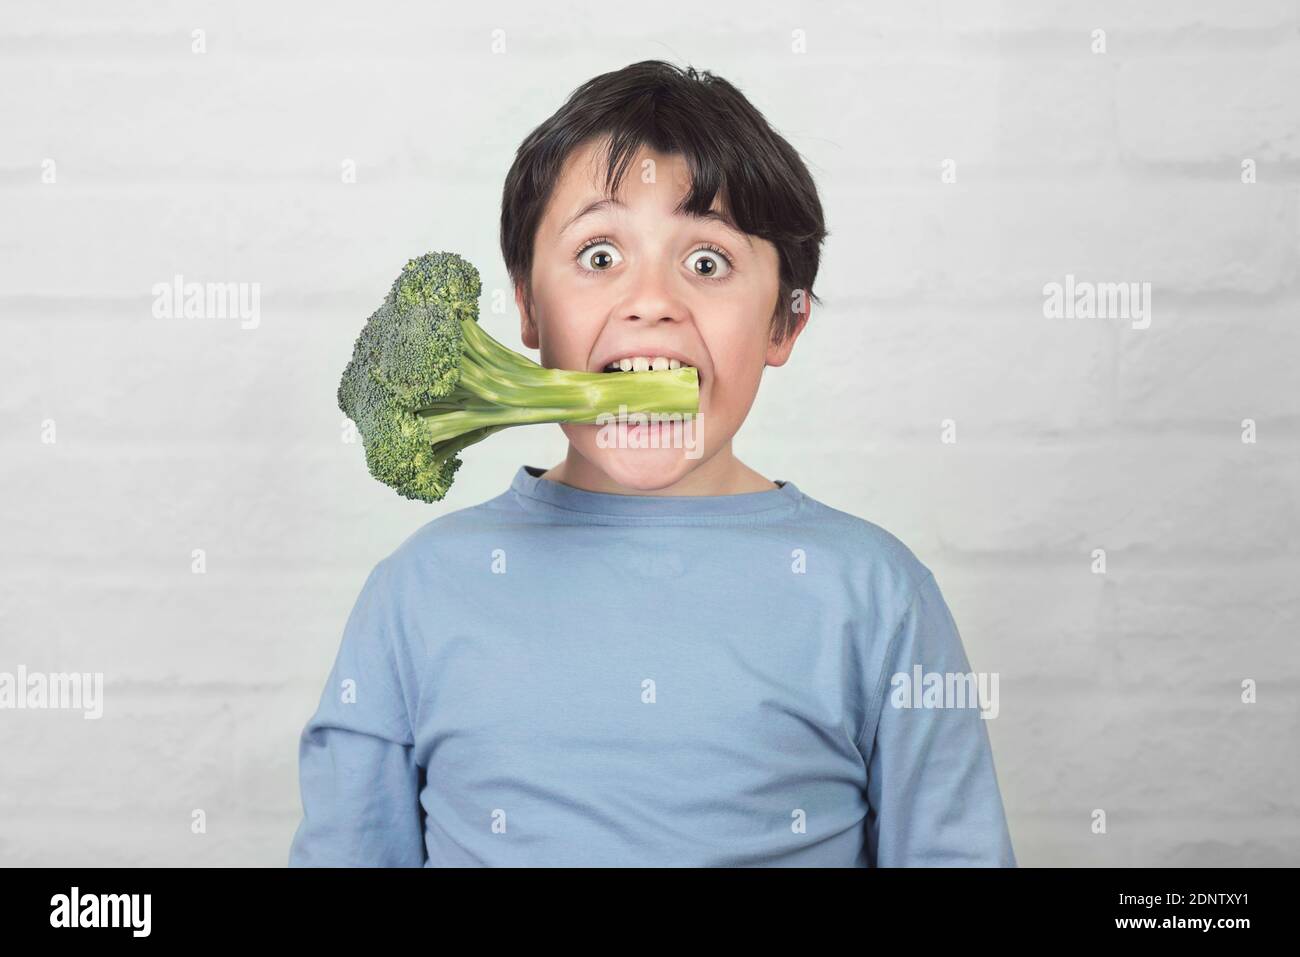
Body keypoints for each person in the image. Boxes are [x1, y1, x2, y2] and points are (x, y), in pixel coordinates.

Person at [288, 60, 1015, 867]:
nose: (651, 299)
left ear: (785, 323)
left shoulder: (878, 593)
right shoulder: (415, 592)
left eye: (707, 262)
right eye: (600, 255)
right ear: (527, 305)